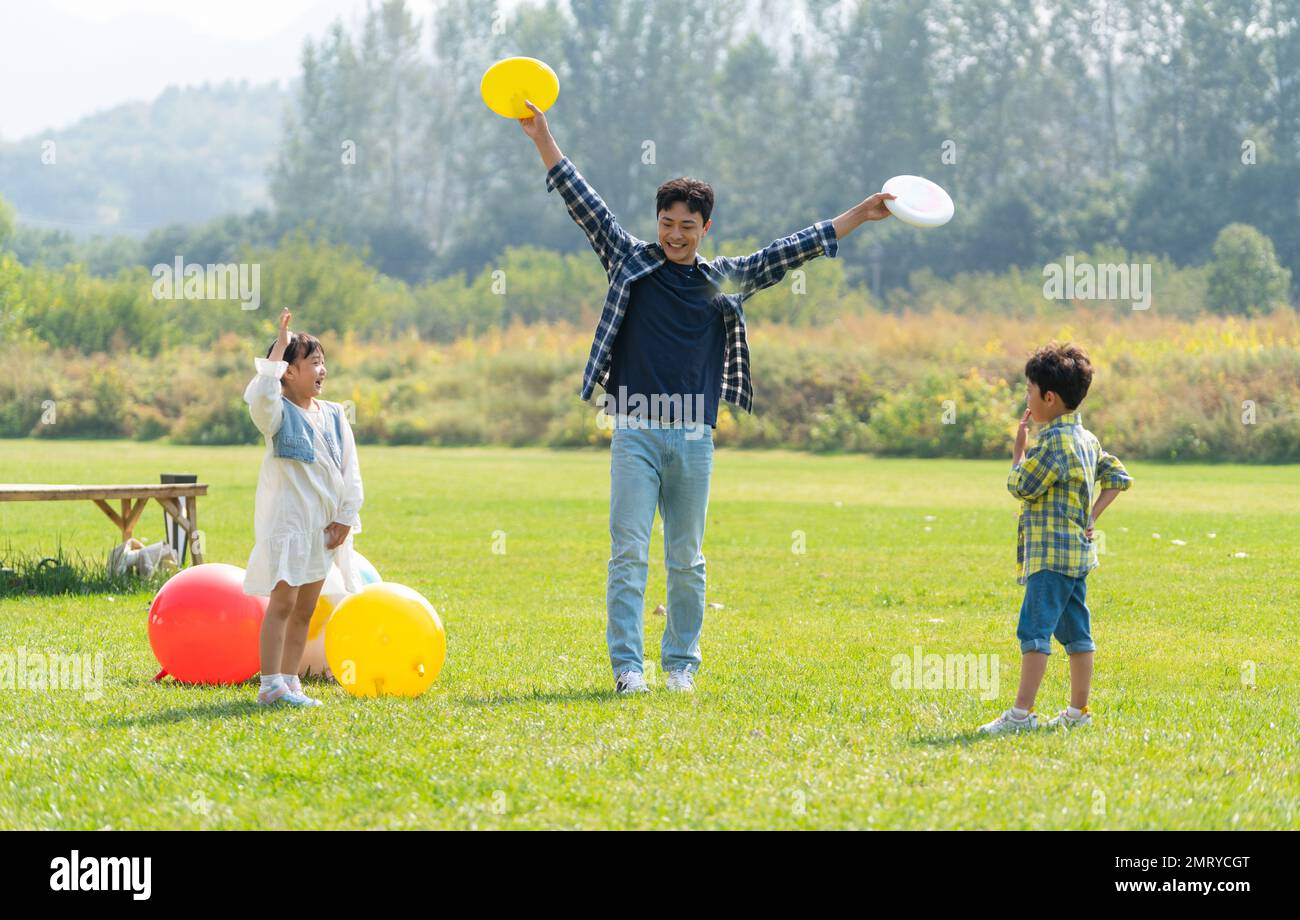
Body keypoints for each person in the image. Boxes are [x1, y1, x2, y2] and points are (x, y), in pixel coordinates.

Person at [519, 99, 896, 694]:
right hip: (635, 431)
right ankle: (627, 668)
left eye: (687, 227)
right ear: (657, 222)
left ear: (705, 229)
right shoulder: (628, 261)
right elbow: (581, 201)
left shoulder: (724, 278)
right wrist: (544, 136)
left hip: (694, 437)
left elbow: (790, 250)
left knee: (687, 561)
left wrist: (860, 214)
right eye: (667, 223)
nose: (674, 235)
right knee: (627, 554)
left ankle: (680, 667)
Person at [980, 343, 1133, 733]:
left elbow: (1022, 486)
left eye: (1030, 391)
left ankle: (1020, 715)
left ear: (1049, 397)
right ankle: (1078, 712)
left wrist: (1019, 453)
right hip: (1077, 558)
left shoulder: (1051, 444)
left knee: (1033, 631)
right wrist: (1091, 516)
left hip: (1049, 558)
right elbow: (1118, 477)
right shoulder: (1088, 440)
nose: (1027, 398)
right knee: (1078, 635)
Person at [242, 307, 364, 706]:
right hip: (289, 525)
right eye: (313, 362)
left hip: (323, 528)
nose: (322, 369)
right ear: (288, 373)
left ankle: (291, 680)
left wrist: (346, 517)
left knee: (306, 608)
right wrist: (279, 347)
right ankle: (269, 684)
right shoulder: (276, 415)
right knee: (283, 603)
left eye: (323, 362)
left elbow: (351, 471)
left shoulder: (333, 415)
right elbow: (261, 394)